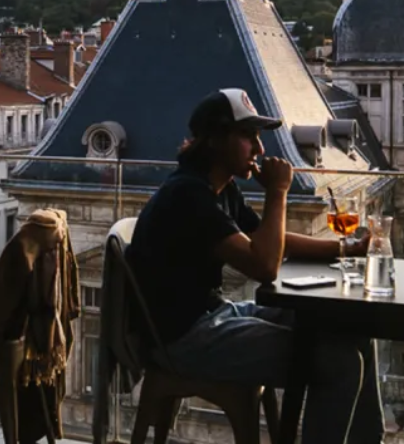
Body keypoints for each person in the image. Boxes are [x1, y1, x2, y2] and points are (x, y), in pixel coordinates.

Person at [125, 88, 382, 444]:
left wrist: (346, 248)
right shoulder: (189, 196)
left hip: (213, 315)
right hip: (184, 338)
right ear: (215, 140)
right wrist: (278, 192)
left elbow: (268, 239)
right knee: (340, 363)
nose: (260, 149)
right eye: (248, 136)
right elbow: (264, 265)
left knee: (352, 324)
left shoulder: (219, 188)